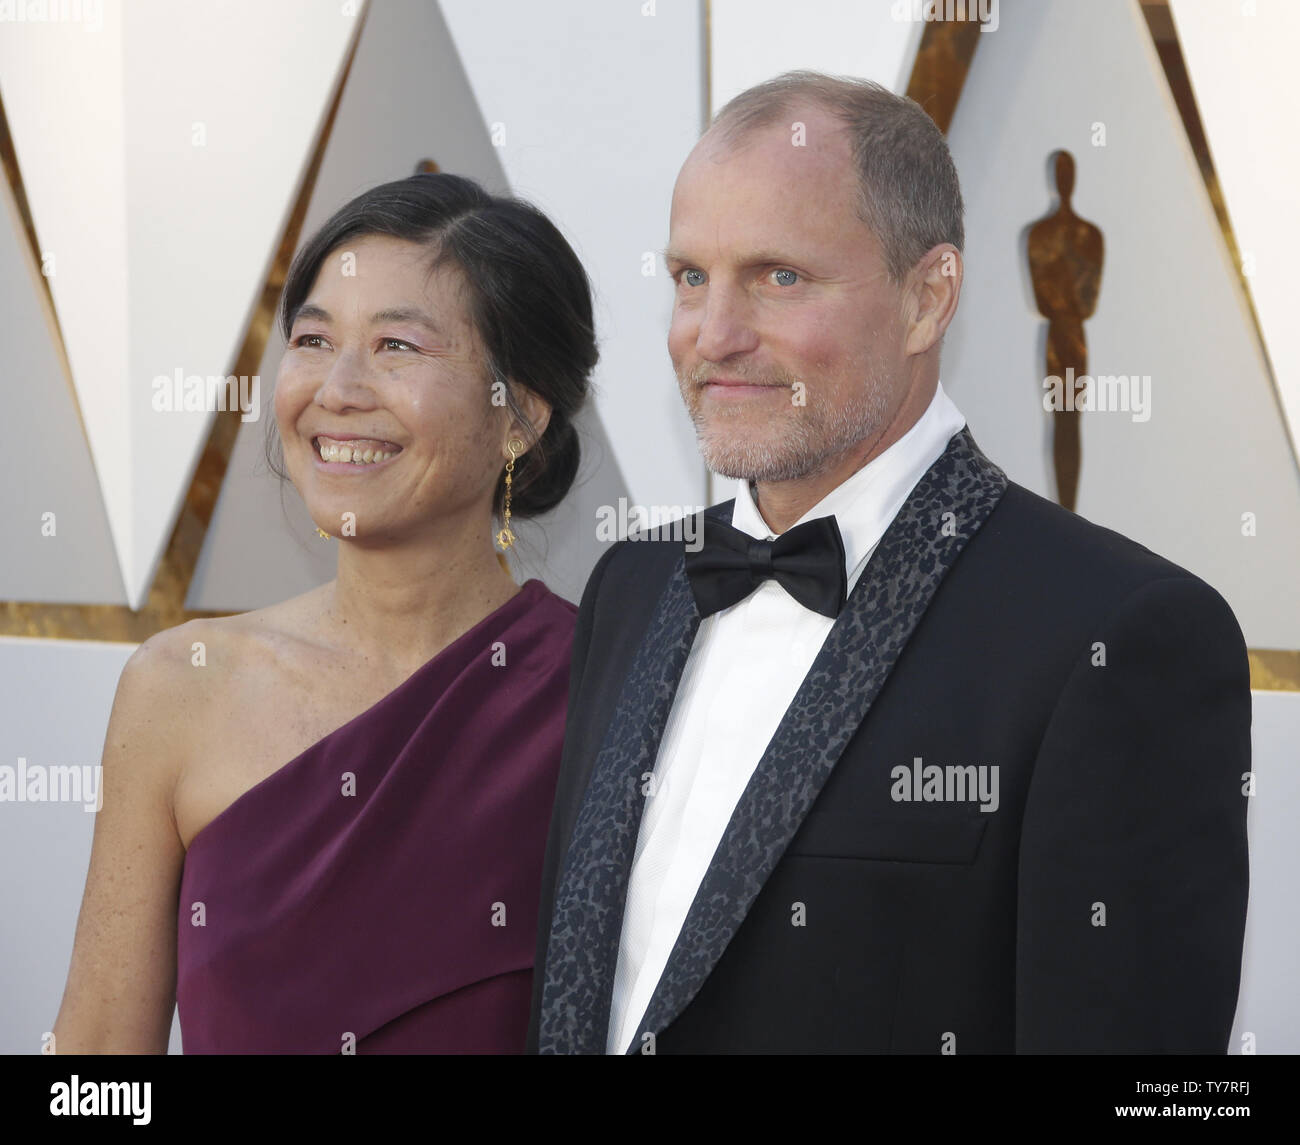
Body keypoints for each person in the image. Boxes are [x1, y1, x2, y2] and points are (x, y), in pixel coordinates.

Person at [528, 72, 1250, 1054]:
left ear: (926, 296)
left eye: (779, 276)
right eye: (691, 276)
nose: (713, 334)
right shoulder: (633, 583)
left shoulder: (1115, 633)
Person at [52, 172, 597, 1053]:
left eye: (397, 348)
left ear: (519, 418)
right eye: (312, 339)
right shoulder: (180, 689)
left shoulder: (609, 698)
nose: (338, 388)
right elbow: (99, 1057)